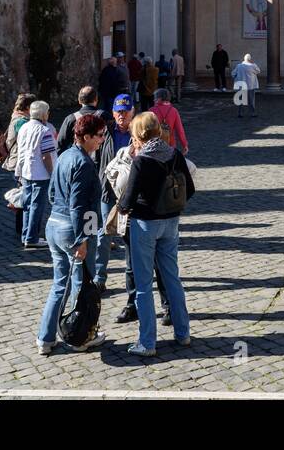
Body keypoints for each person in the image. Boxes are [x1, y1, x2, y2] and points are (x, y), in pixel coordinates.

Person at [117, 112, 191, 356]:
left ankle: (147, 342)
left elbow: (127, 199)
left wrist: (123, 207)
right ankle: (183, 333)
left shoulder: (142, 160)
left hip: (145, 224)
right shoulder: (174, 154)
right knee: (172, 278)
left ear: (138, 134)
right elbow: (189, 188)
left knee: (143, 284)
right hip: (171, 222)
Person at [36, 112, 108, 355]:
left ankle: (45, 339)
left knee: (59, 285)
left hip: (54, 225)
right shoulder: (84, 164)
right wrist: (82, 239)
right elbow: (79, 205)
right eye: (99, 136)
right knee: (81, 284)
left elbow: (52, 195)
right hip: (71, 229)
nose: (102, 139)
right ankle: (81, 336)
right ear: (86, 137)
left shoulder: (65, 155)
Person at [93, 94, 134, 291]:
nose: (122, 116)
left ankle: (134, 276)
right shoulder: (106, 132)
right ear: (113, 112)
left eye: (125, 112)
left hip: (132, 193)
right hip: (108, 191)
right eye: (118, 111)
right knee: (104, 234)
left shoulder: (138, 134)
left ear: (133, 112)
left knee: (132, 237)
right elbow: (96, 157)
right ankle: (100, 278)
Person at [15, 101, 56, 249]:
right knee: (37, 206)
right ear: (44, 114)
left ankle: (26, 235)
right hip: (40, 174)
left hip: (26, 171)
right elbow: (46, 156)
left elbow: (21, 151)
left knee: (27, 205)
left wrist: (18, 171)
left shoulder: (24, 128)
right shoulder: (44, 130)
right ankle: (32, 238)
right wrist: (52, 174)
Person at [2, 93, 35, 242]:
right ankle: (23, 228)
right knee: (25, 196)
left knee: (24, 194)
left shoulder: (16, 118)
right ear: (28, 107)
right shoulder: (21, 121)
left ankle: (22, 227)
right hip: (18, 164)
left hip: (15, 162)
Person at [56, 86, 104, 155]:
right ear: (96, 100)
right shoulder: (104, 116)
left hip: (77, 159)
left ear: (79, 100)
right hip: (102, 161)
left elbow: (61, 144)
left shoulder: (71, 119)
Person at [232, 53, 261, 117]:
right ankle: (252, 113)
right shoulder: (253, 66)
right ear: (250, 59)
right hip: (250, 85)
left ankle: (239, 113)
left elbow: (233, 74)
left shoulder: (239, 66)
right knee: (251, 100)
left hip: (241, 85)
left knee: (241, 100)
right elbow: (258, 71)